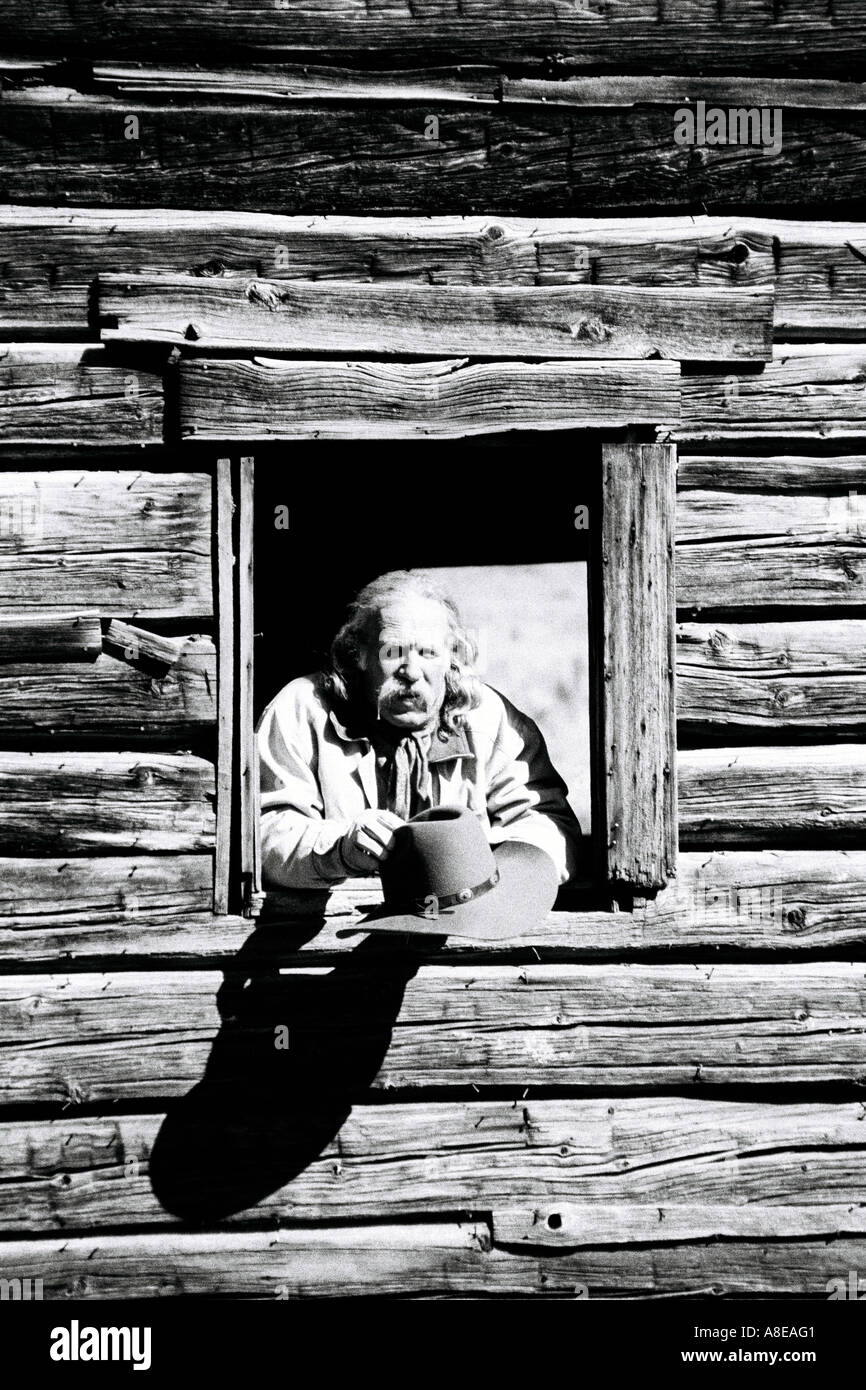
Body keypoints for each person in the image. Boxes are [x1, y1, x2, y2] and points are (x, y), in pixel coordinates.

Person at [257, 569, 585, 891]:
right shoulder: (304, 709)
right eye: (392, 652)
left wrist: (483, 863)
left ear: (452, 659)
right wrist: (340, 847)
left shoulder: (487, 718)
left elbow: (551, 828)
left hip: (461, 925)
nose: (411, 671)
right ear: (359, 655)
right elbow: (265, 836)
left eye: (428, 653)